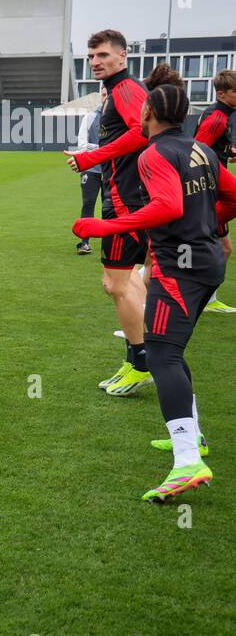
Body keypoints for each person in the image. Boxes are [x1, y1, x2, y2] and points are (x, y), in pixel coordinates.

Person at [74, 64, 236, 501]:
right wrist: (208, 225)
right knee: (173, 350)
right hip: (206, 265)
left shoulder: (153, 154)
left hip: (178, 269)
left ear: (149, 113)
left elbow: (165, 206)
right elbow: (232, 196)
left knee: (161, 354)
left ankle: (187, 462)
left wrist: (105, 227)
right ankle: (193, 439)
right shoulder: (203, 151)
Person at [66, 30, 152, 396]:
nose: (96, 61)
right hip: (124, 196)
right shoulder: (117, 91)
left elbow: (141, 132)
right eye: (91, 57)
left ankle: (140, 363)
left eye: (103, 55)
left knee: (115, 284)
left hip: (128, 200)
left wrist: (92, 157)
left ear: (123, 56)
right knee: (126, 281)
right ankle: (144, 355)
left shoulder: (127, 90)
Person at [194, 69, 236, 313]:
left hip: (212, 191)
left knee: (224, 248)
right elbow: (197, 151)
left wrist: (228, 154)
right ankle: (141, 283)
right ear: (221, 94)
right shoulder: (217, 117)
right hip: (206, 193)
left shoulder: (222, 115)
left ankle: (209, 300)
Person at [74, 87, 106, 256]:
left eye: (108, 94)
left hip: (111, 170)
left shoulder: (119, 119)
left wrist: (96, 149)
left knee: (109, 207)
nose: (105, 97)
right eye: (104, 94)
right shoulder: (90, 117)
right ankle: (84, 243)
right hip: (91, 169)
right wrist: (103, 149)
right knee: (88, 204)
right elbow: (82, 145)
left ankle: (108, 244)